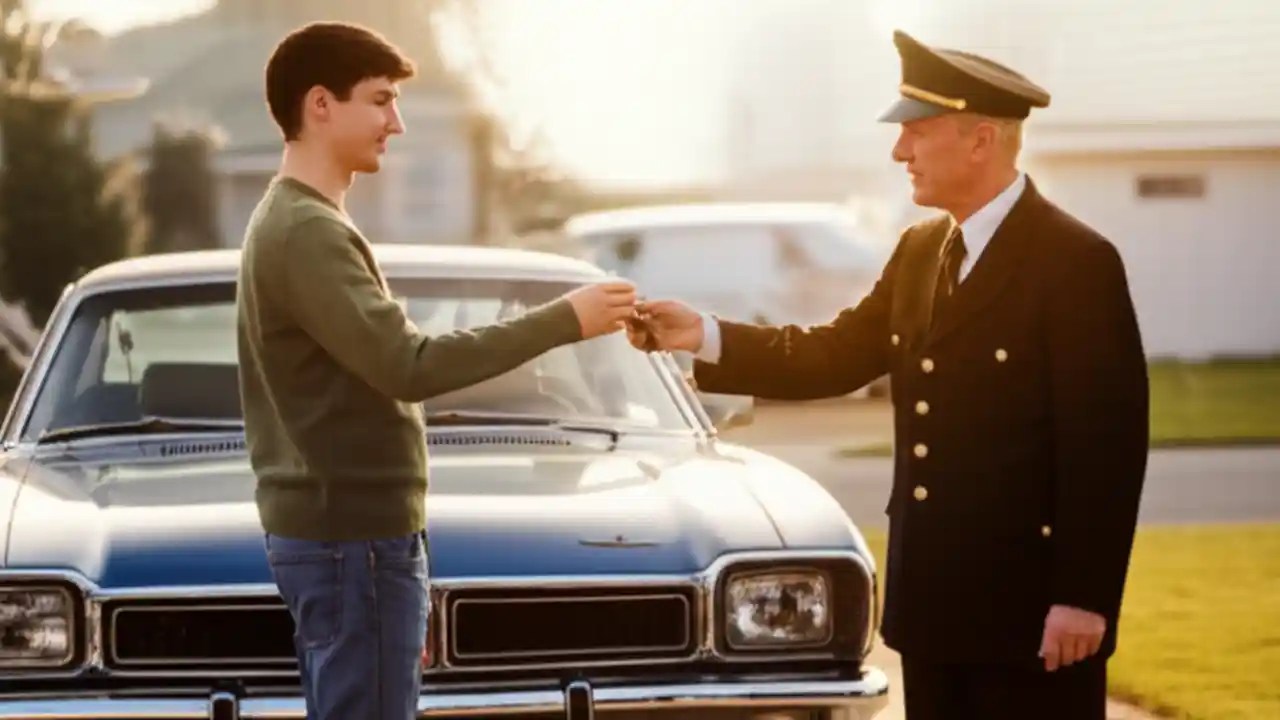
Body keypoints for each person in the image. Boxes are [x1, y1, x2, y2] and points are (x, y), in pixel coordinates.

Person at [629, 29, 1149, 720]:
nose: (900, 150)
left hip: (1030, 621)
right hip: (933, 613)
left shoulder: (1076, 261)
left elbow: (1104, 450)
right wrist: (705, 334)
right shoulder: (922, 248)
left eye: (917, 131)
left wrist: (1083, 597)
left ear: (981, 140)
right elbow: (836, 352)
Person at [235, 22, 637, 720]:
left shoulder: (302, 222)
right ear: (321, 105)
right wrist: (564, 319)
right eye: (380, 100)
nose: (397, 122)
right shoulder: (305, 231)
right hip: (351, 544)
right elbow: (408, 364)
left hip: (351, 541)